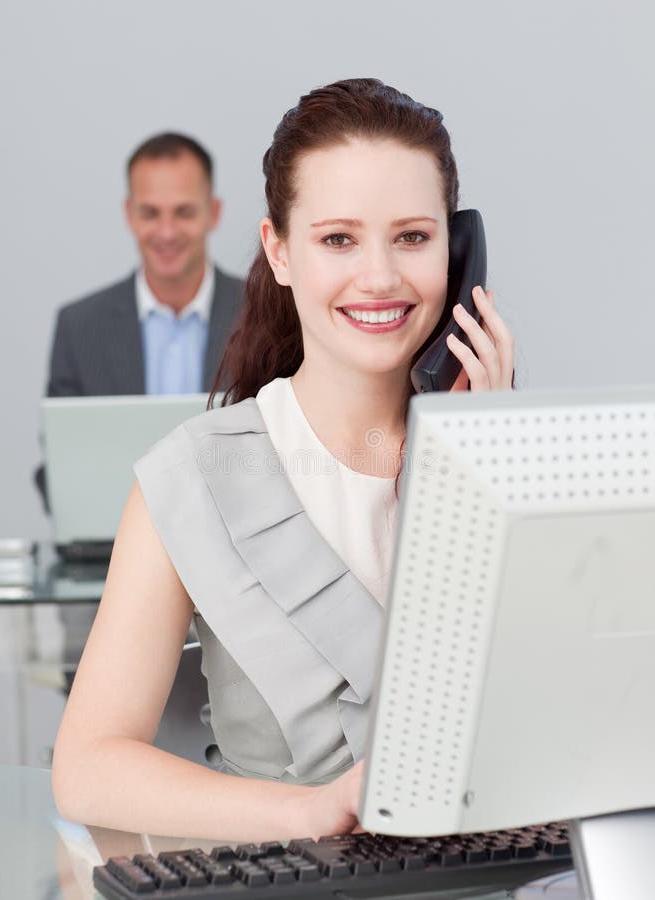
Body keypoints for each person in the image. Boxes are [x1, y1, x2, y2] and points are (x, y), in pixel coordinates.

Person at [52, 78, 514, 842]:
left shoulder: (515, 455)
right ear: (280, 250)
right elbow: (88, 767)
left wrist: (485, 467)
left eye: (412, 237)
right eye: (338, 239)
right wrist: (305, 812)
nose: (380, 277)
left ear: (457, 251)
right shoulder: (193, 479)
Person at [35, 133, 244, 505]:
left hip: (240, 535)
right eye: (150, 213)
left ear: (213, 213)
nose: (167, 232)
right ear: (129, 214)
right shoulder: (79, 328)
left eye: (184, 212)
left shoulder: (267, 314)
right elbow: (61, 466)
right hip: (115, 534)